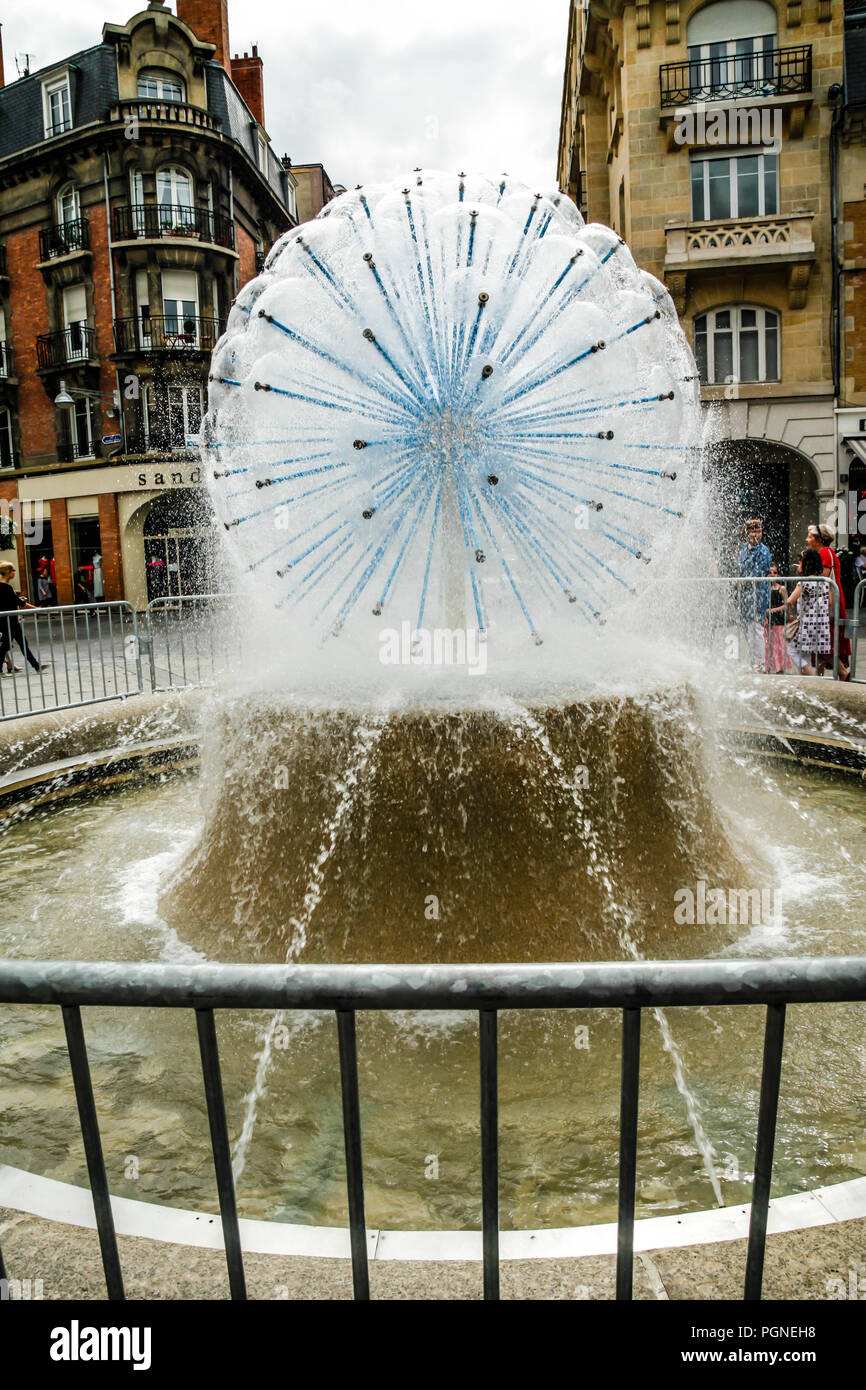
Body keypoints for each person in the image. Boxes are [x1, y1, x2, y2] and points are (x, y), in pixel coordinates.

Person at [808, 525, 851, 679]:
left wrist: (806, 573)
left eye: (810, 536)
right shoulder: (826, 552)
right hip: (829, 600)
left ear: (819, 540)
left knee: (823, 641)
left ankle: (843, 673)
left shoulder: (824, 553)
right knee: (823, 640)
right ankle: (819, 678)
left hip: (828, 602)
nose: (807, 539)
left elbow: (823, 578)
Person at [787, 548, 831, 676]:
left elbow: (790, 600)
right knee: (804, 655)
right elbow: (830, 601)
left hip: (807, 625)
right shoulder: (824, 582)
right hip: (821, 624)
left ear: (806, 565)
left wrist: (787, 606)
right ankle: (808, 683)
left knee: (793, 652)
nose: (798, 565)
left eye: (800, 563)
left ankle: (813, 679)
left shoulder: (804, 583)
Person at [0, 562, 49, 674]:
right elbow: (19, 603)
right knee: (6, 647)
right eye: (13, 570)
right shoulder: (6, 587)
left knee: (22, 645)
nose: (14, 573)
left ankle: (36, 666)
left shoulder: (4, 587)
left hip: (10, 621)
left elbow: (13, 601)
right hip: (9, 622)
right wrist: (36, 609)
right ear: (8, 572)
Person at [738, 518, 771, 668]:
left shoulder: (764, 550)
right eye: (753, 531)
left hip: (758, 593)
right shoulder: (744, 548)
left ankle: (759, 663)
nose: (756, 534)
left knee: (756, 628)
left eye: (758, 531)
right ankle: (753, 659)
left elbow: (758, 571)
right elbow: (741, 568)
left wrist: (743, 580)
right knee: (746, 627)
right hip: (745, 595)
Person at [763, 564, 793, 673]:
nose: (772, 575)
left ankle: (780, 667)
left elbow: (787, 604)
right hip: (767, 620)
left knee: (779, 644)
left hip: (778, 620)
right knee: (768, 644)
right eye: (770, 572)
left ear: (778, 574)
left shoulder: (781, 588)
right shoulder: (764, 588)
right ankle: (768, 666)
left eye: (774, 572)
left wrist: (773, 610)